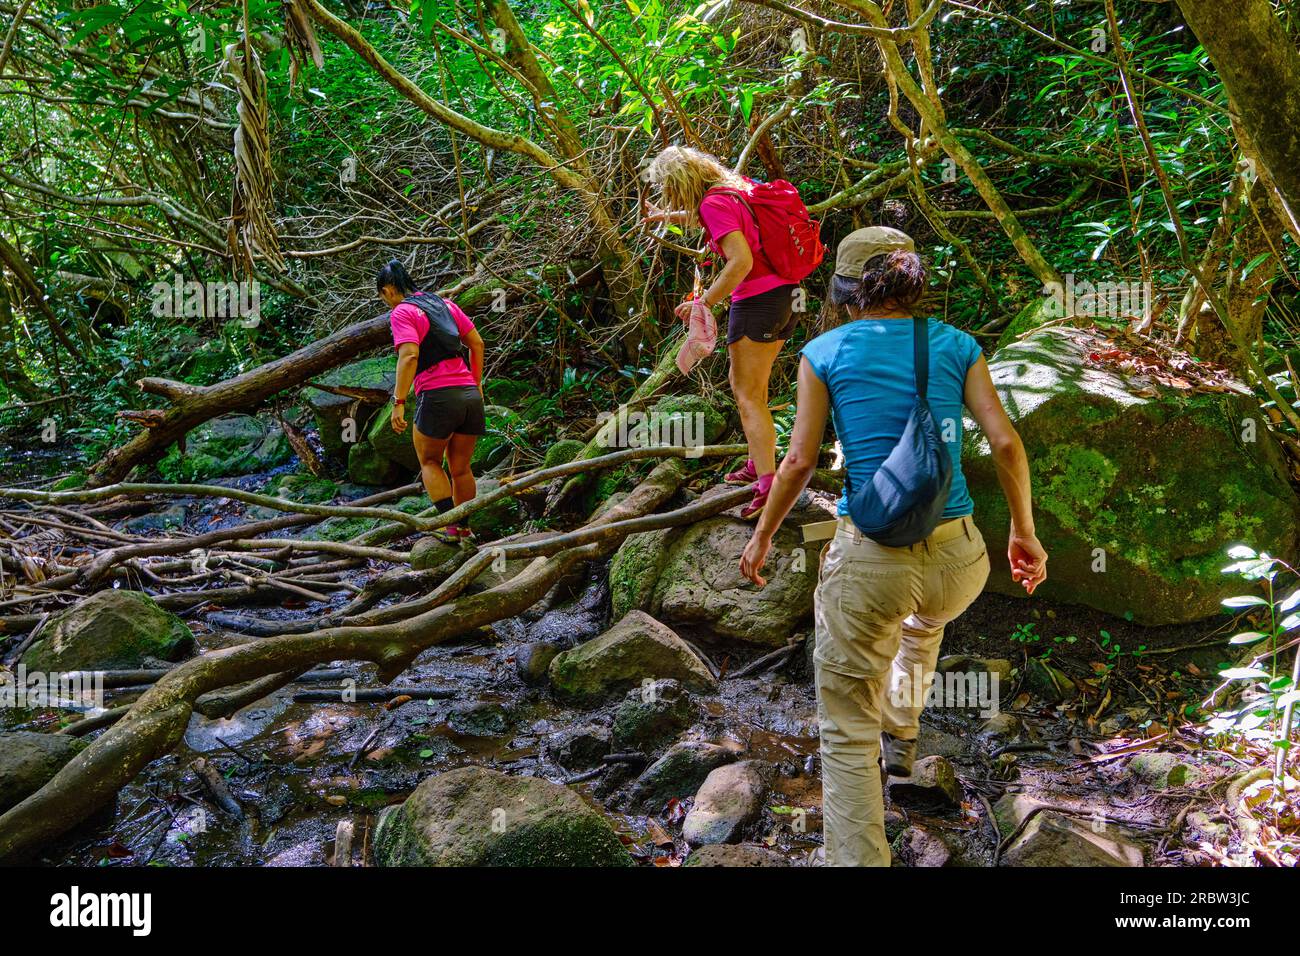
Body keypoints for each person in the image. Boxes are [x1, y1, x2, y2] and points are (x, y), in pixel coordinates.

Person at [738, 227, 1049, 866]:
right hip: (960, 561)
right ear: (912, 284)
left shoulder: (824, 352)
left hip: (873, 559)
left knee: (847, 729)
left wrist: (764, 534)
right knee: (921, 627)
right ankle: (903, 741)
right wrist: (1024, 533)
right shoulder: (958, 346)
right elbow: (1008, 444)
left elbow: (797, 461)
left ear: (848, 292)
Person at [644, 146, 802, 520]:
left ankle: (767, 487)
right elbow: (716, 218)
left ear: (681, 182)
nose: (668, 194)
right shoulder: (737, 187)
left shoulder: (714, 204)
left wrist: (705, 303)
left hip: (758, 301)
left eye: (668, 189)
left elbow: (741, 261)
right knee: (749, 386)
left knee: (747, 395)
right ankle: (757, 461)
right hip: (789, 296)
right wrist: (667, 215)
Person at [376, 259, 485, 541]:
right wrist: (476, 383)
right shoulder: (445, 304)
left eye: (383, 298)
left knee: (429, 462)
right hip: (469, 396)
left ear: (388, 291)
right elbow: (477, 343)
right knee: (461, 467)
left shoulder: (402, 311)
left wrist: (398, 402)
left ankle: (450, 529)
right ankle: (465, 528)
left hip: (438, 396)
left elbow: (409, 354)